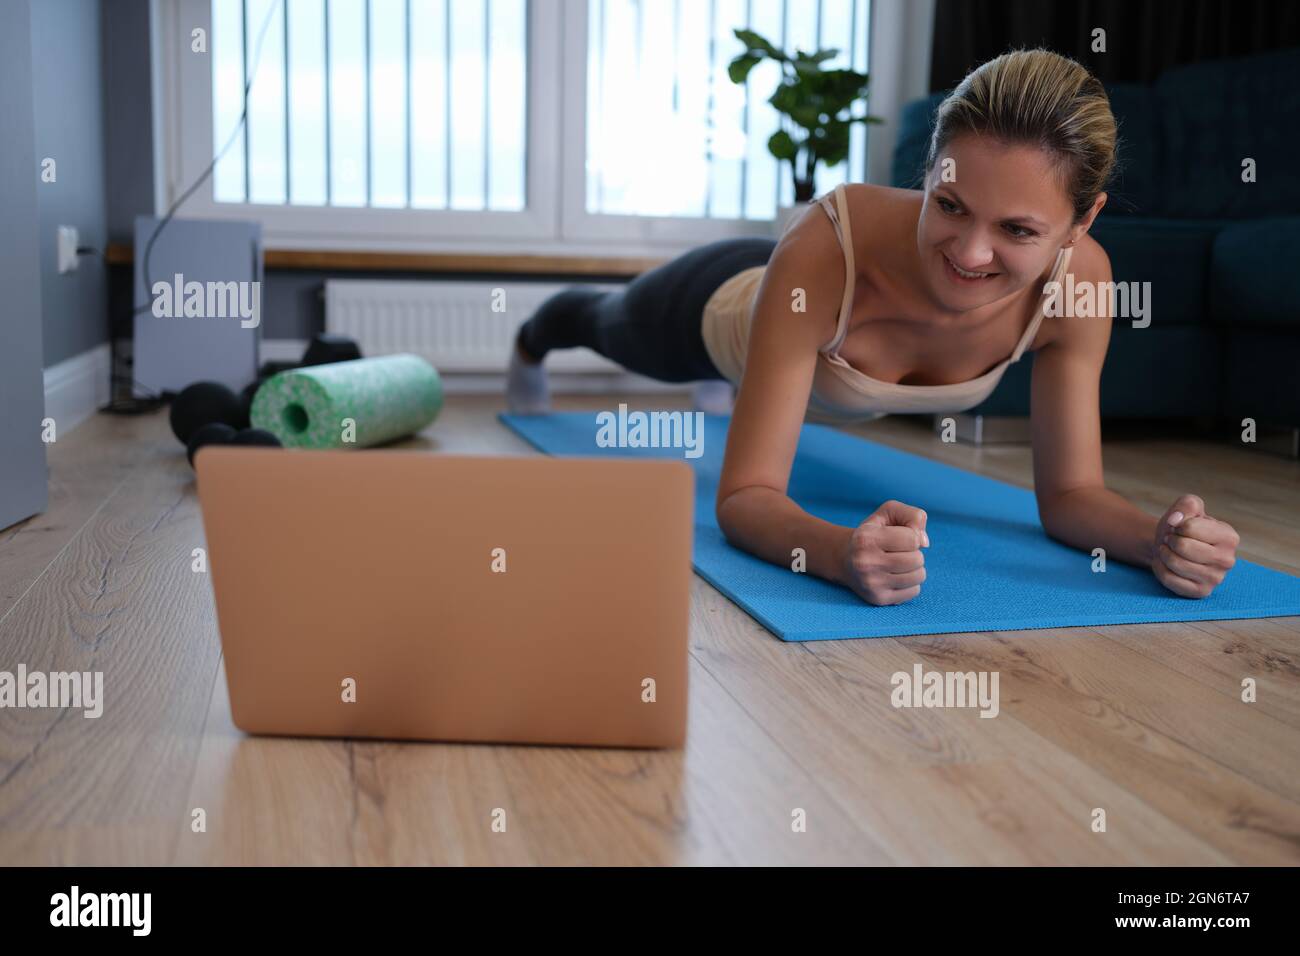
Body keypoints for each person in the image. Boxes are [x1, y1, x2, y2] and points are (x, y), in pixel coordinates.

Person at [507, 48, 1240, 606]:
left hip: (803, 311)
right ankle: (532, 339)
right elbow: (744, 497)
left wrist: (1156, 542)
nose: (971, 253)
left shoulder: (1082, 284)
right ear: (927, 170)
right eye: (949, 205)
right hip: (730, 300)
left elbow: (1071, 495)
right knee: (598, 320)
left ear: (1084, 221)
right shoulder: (831, 241)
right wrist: (834, 552)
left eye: (1016, 229)